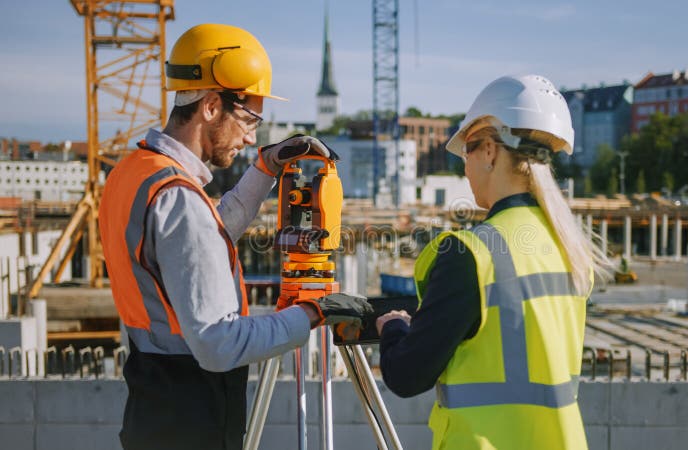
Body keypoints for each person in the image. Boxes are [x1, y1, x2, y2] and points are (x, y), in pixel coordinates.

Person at [98, 24, 371, 450]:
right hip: (192, 416)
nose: (250, 136)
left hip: (153, 400)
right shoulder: (178, 197)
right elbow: (218, 345)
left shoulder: (135, 173)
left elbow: (202, 239)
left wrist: (265, 168)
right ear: (211, 106)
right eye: (248, 120)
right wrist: (313, 313)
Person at [376, 74, 611, 449]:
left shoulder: (472, 254)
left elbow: (406, 375)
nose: (464, 169)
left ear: (489, 151)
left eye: (467, 152)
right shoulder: (569, 248)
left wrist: (393, 328)